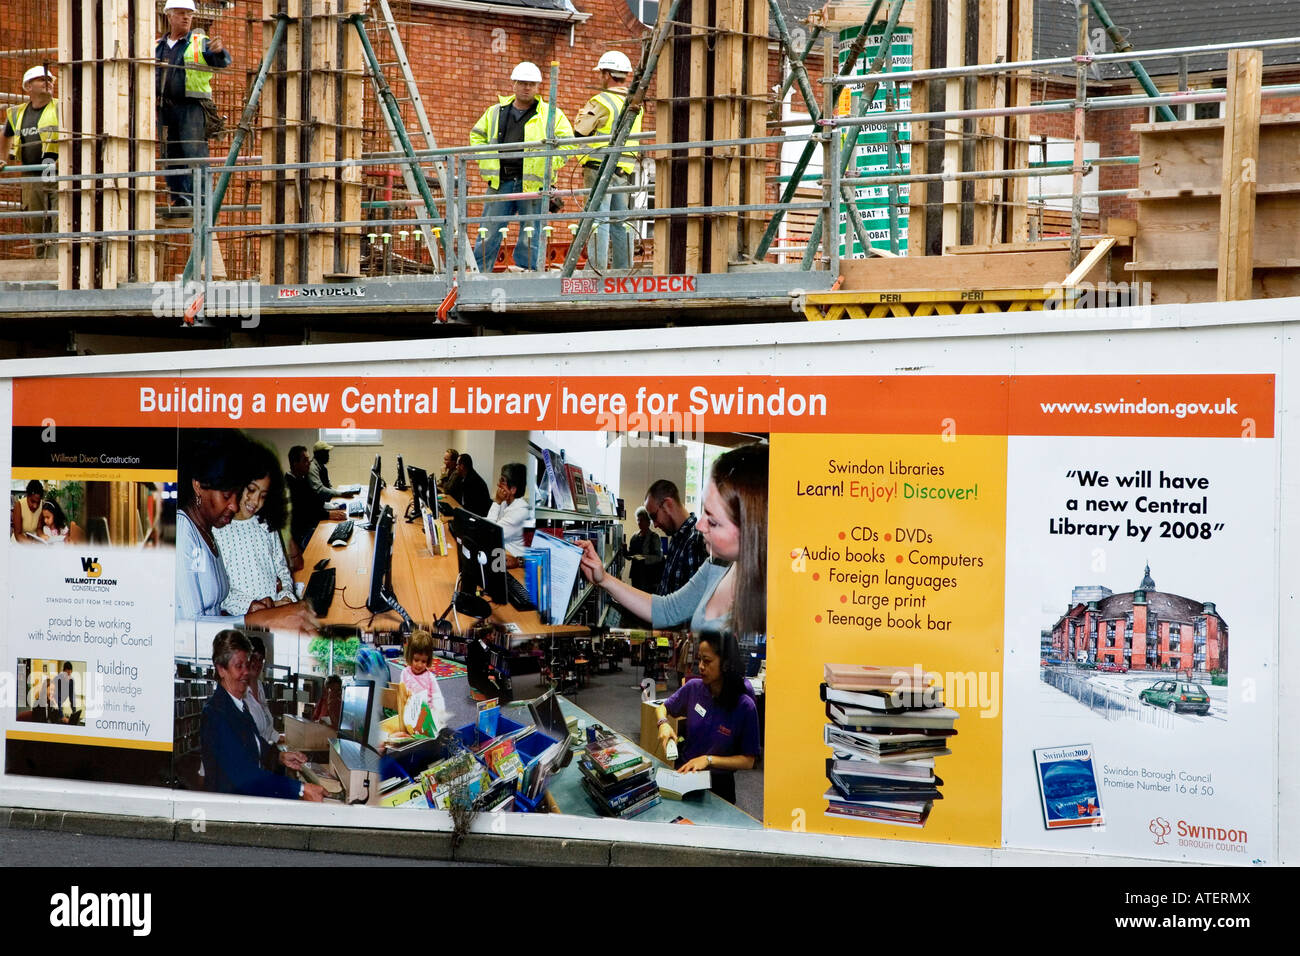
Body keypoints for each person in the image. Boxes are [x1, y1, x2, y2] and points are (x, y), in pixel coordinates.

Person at [577, 443, 768, 637]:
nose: (700, 525)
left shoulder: (773, 602)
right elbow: (668, 609)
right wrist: (604, 578)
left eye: (712, 520)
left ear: (751, 529)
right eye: (703, 510)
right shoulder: (716, 565)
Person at [175, 429, 317, 634]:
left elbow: (282, 571)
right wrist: (259, 615)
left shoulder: (217, 527)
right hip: (229, 635)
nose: (235, 505)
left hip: (249, 624)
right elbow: (193, 627)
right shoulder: (194, 531)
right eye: (227, 494)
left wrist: (281, 600)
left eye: (263, 495)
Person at [470, 61, 574, 272]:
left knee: (531, 233)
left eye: (532, 84)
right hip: (501, 182)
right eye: (523, 83)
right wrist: (484, 159)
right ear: (514, 85)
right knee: (489, 231)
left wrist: (550, 163)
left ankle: (527, 272)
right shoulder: (496, 112)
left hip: (532, 184)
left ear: (537, 88)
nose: (527, 87)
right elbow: (477, 136)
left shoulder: (550, 113)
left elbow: (568, 142)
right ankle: (479, 273)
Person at [200, 630, 324, 800]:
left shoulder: (237, 704)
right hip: (229, 808)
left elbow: (255, 743)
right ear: (221, 669)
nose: (246, 672)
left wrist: (280, 756)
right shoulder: (216, 714)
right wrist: (300, 789)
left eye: (246, 664)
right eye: (239, 666)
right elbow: (244, 776)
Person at [653, 631, 759, 803]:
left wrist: (708, 760)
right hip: (684, 775)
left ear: (726, 664)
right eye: (700, 659)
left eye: (707, 661)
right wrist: (663, 723)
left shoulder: (745, 706)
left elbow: (748, 761)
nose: (701, 666)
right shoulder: (694, 688)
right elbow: (663, 708)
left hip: (718, 786)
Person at [156, 0, 231, 212]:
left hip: (192, 106)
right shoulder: (157, 46)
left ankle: (203, 202)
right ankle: (180, 199)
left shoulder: (199, 41)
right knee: (171, 154)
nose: (186, 17)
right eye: (181, 13)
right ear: (169, 16)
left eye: (189, 14)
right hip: (166, 108)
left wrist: (219, 52)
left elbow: (220, 60)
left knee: (194, 153)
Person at [573, 51, 642, 272]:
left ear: (606, 74)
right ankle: (623, 269)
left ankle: (597, 268)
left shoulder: (601, 100)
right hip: (623, 170)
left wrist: (580, 115)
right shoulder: (634, 102)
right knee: (619, 222)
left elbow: (580, 132)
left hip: (598, 167)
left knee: (597, 219)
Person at [213, 443, 297, 615]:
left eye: (263, 496)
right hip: (243, 617)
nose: (256, 501)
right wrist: (252, 605)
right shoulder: (219, 531)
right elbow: (222, 593)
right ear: (237, 484)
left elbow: (281, 568)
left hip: (275, 610)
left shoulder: (265, 524)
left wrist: (287, 595)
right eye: (251, 490)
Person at [1, 66, 59, 258]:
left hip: (55, 169)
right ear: (28, 87)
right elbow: (6, 134)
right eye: (42, 79)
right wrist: (2, 158)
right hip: (31, 173)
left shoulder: (60, 107)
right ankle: (42, 261)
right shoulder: (17, 113)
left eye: (49, 80)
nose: (48, 83)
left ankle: (57, 264)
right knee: (36, 221)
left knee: (59, 218)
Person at [644, 477, 708, 596]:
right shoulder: (676, 537)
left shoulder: (695, 541)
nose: (655, 525)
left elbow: (690, 605)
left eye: (654, 516)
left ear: (668, 504)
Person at [285, 444, 346, 553]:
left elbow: (313, 504)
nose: (309, 463)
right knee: (330, 548)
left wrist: (328, 512)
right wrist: (327, 515)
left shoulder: (302, 479)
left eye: (308, 460)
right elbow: (304, 514)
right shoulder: (289, 486)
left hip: (311, 526)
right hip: (302, 537)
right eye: (305, 461)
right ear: (295, 464)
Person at [397, 629, 450, 733]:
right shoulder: (404, 673)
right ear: (409, 656)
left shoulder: (430, 677)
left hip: (427, 713)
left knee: (442, 731)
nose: (419, 665)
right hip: (410, 713)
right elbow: (401, 694)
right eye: (416, 660)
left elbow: (437, 697)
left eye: (424, 661)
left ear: (428, 660)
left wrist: (440, 714)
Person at [486, 461, 530, 559]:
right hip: (501, 553)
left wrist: (496, 502)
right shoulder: (506, 502)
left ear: (513, 489)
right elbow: (491, 525)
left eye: (502, 481)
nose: (498, 484)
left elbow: (489, 534)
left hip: (511, 562)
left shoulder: (519, 512)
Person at [625, 506, 664, 592]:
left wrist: (644, 558)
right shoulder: (634, 536)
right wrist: (624, 551)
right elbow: (630, 556)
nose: (639, 522)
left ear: (648, 522)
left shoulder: (654, 537)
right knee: (635, 597)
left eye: (641, 520)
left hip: (648, 576)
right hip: (636, 574)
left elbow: (659, 557)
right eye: (638, 520)